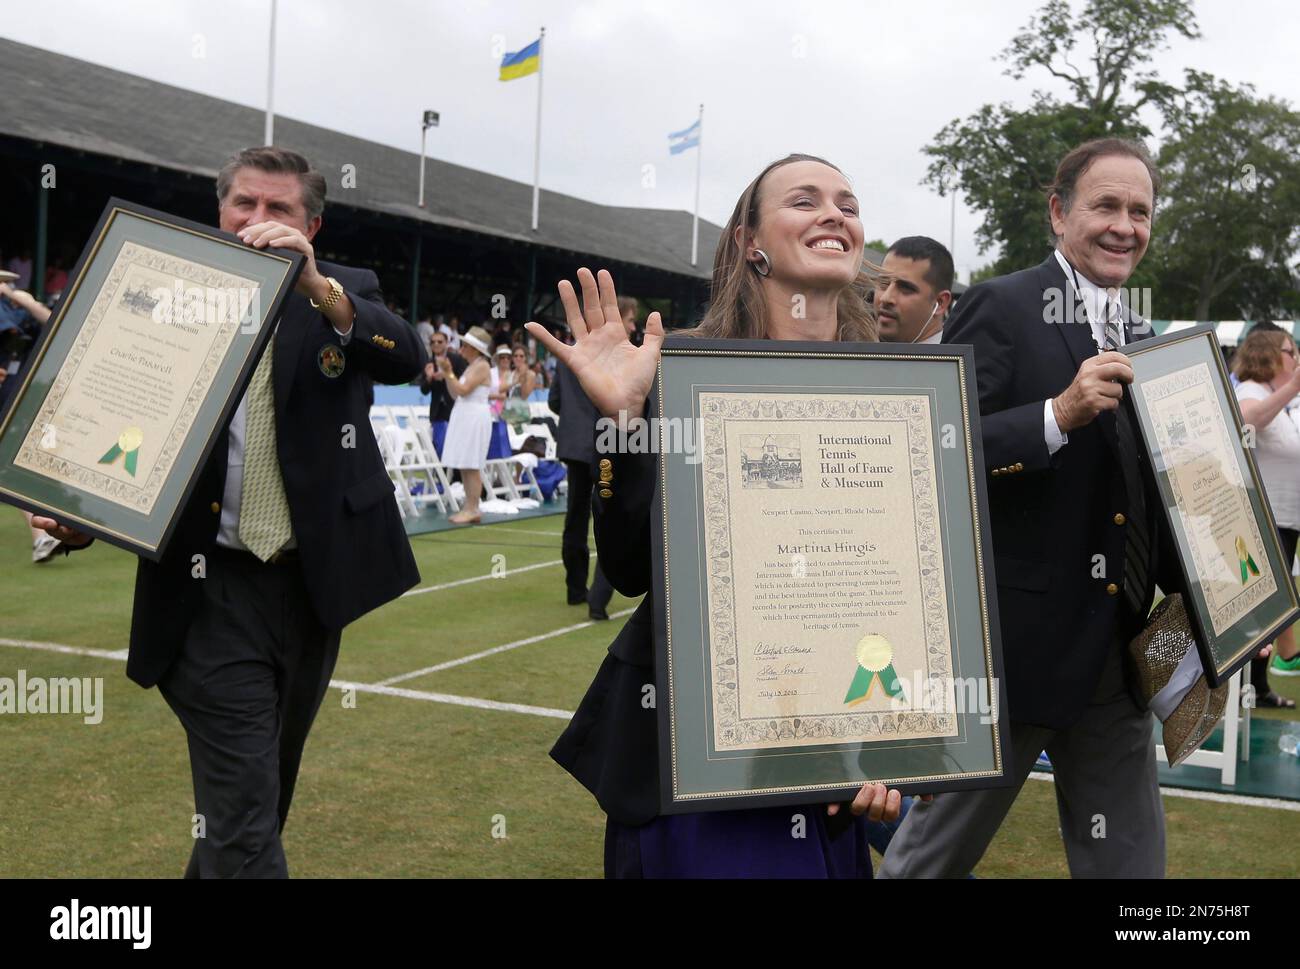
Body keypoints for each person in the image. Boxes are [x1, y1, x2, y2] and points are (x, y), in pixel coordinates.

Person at [34, 146, 424, 878]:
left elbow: (408, 354)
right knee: (244, 820)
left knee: (253, 808)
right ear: (221, 209)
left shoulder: (343, 290)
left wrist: (315, 286)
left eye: (280, 209)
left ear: (312, 223)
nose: (259, 220)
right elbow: (112, 415)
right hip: (207, 587)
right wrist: (75, 504)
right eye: (245, 203)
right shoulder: (165, 292)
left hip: (310, 590)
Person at [529, 154, 917, 878]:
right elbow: (632, 569)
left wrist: (902, 744)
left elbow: (907, 590)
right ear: (750, 242)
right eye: (805, 200)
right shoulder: (682, 367)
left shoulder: (903, 394)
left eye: (848, 202)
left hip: (828, 768)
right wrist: (624, 422)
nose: (835, 214)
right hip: (694, 770)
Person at [880, 138, 1182, 879]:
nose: (1124, 226)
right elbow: (938, 448)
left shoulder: (1146, 333)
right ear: (1059, 211)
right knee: (926, 863)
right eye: (1106, 205)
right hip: (1013, 655)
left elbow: (1147, 491)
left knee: (1130, 868)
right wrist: (1056, 412)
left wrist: (1218, 593)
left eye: (1139, 211)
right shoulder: (1004, 304)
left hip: (1120, 655)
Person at [1232, 329, 1300, 700]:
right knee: (1264, 614)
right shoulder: (1251, 392)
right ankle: (1252, 688)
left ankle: (1256, 687)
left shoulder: (1277, 398)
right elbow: (1245, 423)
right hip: (1265, 521)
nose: (1296, 359)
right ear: (1269, 355)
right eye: (1291, 352)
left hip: (1282, 520)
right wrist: (1291, 390)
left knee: (1269, 614)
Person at [549, 332, 615, 619]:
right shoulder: (610, 354)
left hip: (575, 445)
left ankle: (575, 589)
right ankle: (597, 600)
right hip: (604, 444)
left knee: (575, 518)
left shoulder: (566, 355)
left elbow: (554, 401)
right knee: (610, 518)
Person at [438, 325, 494, 524]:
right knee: (464, 462)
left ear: (475, 348)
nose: (461, 348)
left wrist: (449, 372)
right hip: (463, 414)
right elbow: (455, 393)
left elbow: (462, 390)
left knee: (472, 464)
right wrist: (448, 375)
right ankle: (468, 507)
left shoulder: (482, 365)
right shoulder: (472, 366)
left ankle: (473, 508)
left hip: (474, 416)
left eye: (466, 345)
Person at [875, 236, 954, 345]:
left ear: (940, 302)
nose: (886, 298)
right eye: (883, 283)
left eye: (905, 288)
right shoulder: (853, 357)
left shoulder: (967, 361)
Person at [416, 329, 466, 455]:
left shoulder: (457, 360)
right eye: (433, 342)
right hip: (438, 412)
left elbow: (464, 382)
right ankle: (439, 474)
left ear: (446, 343)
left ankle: (454, 474)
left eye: (439, 341)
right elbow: (424, 390)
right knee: (440, 447)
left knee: (457, 447)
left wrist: (447, 376)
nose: (436, 344)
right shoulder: (428, 363)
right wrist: (429, 378)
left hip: (456, 409)